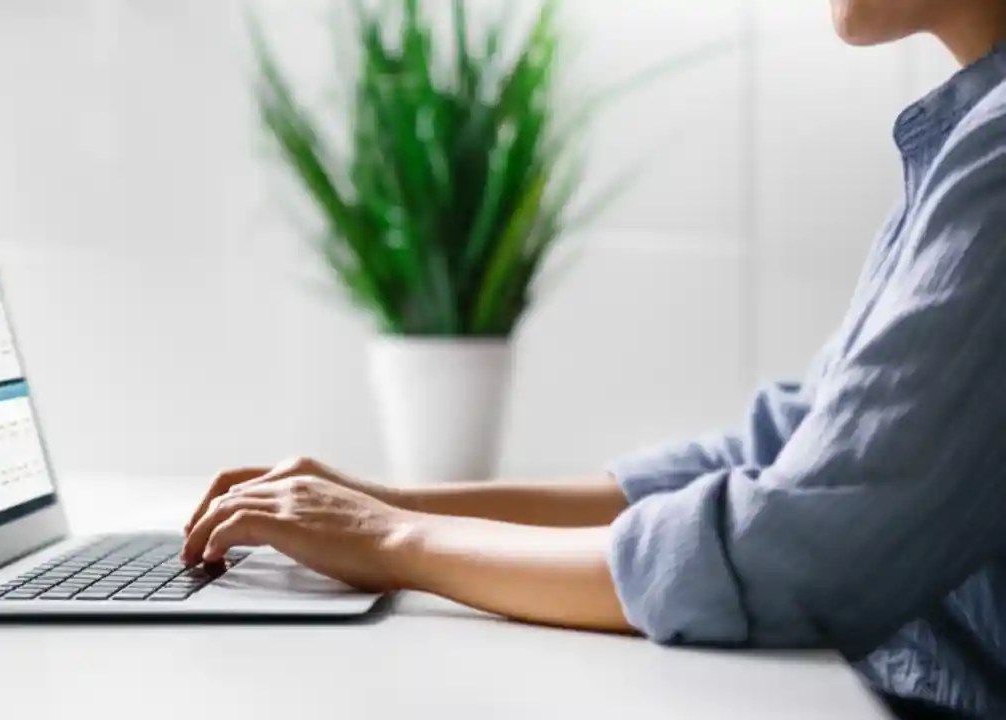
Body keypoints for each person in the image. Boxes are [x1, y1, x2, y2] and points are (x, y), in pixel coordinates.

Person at [181, 1, 1006, 717]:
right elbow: (780, 453)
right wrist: (381, 501)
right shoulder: (969, 141)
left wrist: (396, 538)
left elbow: (791, 553)